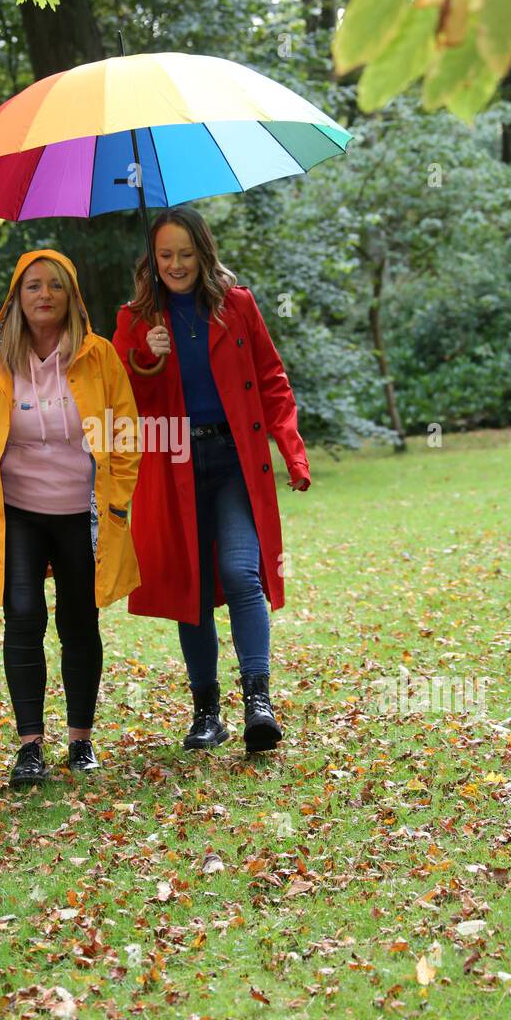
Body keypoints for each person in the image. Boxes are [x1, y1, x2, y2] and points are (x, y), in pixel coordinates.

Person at [112, 207, 310, 753]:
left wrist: (292, 452)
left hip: (232, 460)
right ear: (152, 259)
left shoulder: (237, 304)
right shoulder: (136, 318)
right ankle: (206, 712)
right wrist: (143, 359)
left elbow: (272, 379)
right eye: (165, 255)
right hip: (171, 463)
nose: (175, 264)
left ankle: (258, 702)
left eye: (186, 253)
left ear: (203, 252)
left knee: (242, 573)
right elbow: (122, 400)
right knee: (189, 586)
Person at [0, 249, 141, 787]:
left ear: (71, 297)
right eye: (33, 286)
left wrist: (117, 497)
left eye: (55, 286)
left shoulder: (99, 356)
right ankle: (29, 746)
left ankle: (81, 741)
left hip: (81, 511)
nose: (44, 295)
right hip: (16, 513)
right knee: (23, 615)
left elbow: (125, 434)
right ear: (16, 297)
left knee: (79, 621)